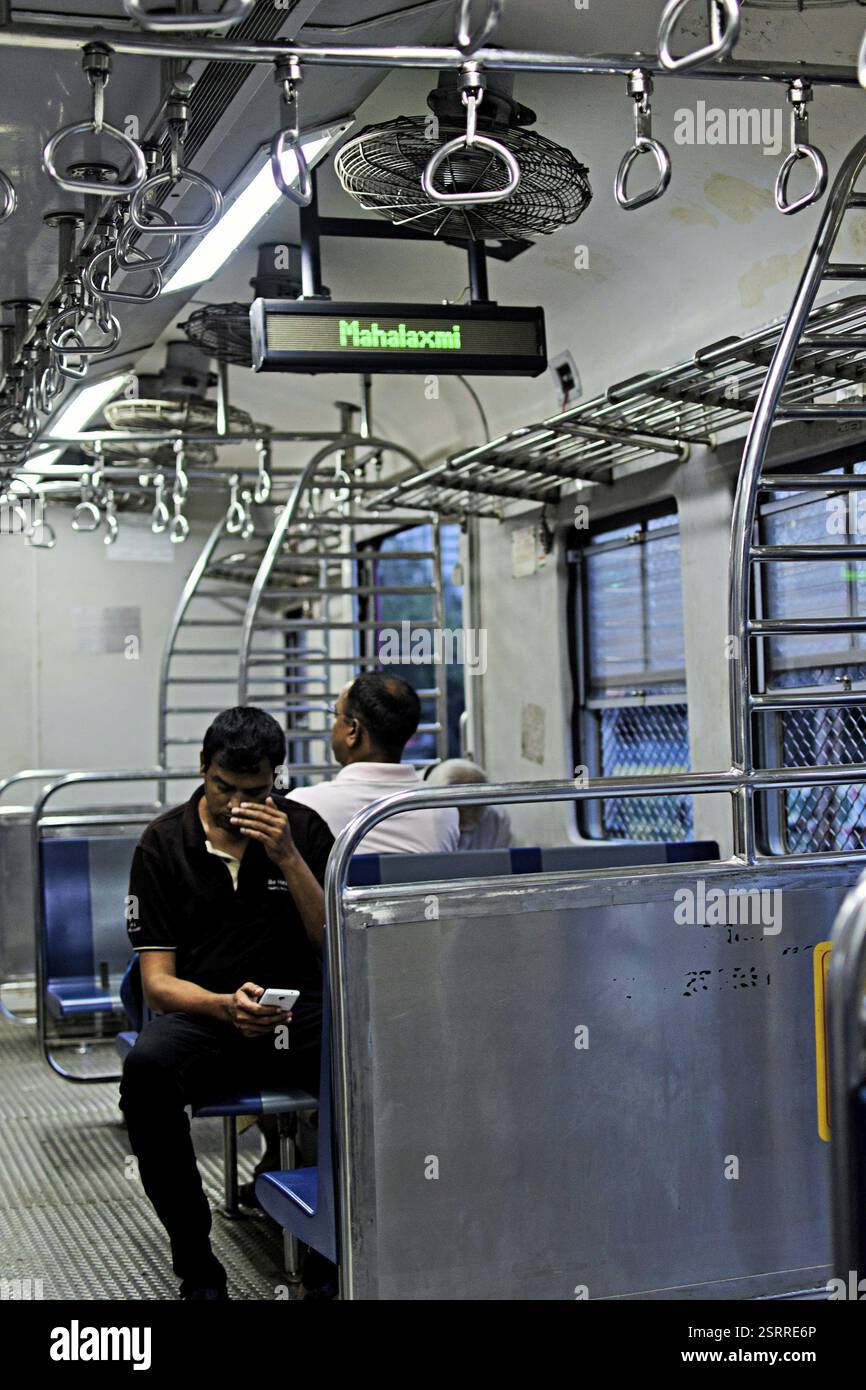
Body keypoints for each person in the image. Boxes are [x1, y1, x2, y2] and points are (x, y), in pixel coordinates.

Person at [119, 706, 336, 1301]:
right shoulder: (163, 845)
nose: (236, 803)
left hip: (298, 1016)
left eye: (256, 790)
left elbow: (333, 944)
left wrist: (289, 857)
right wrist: (221, 1005)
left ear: (276, 781)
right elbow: (158, 983)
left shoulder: (306, 832)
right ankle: (196, 1264)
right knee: (146, 1072)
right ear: (202, 771)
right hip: (208, 1017)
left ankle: (336, 1242)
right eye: (223, 787)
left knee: (369, 1052)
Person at [288, 673, 459, 854]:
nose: (333, 725)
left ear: (353, 730)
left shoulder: (303, 807)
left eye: (335, 714)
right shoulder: (443, 811)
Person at [424, 758, 514, 850]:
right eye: (459, 803)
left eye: (476, 803)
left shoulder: (496, 816)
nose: (468, 810)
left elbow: (502, 859)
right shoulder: (423, 819)